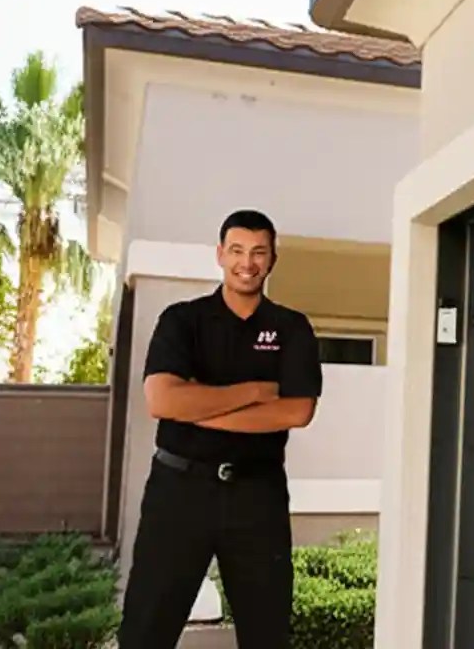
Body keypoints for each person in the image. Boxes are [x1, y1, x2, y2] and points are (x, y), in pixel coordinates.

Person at [117, 209, 322, 649]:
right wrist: (256, 390)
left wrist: (197, 404)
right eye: (236, 250)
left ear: (272, 260)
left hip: (257, 495)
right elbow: (162, 400)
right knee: (146, 630)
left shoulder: (291, 328)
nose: (246, 262)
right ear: (219, 254)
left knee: (266, 632)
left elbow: (297, 411)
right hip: (179, 491)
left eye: (258, 252)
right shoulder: (182, 320)